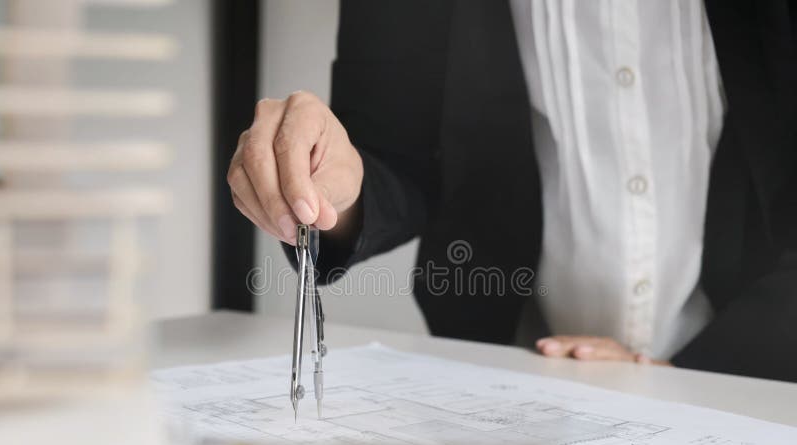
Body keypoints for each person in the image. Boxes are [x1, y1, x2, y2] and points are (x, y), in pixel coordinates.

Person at [226, 1, 797, 382]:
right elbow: (387, 154)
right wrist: (328, 188)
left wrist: (690, 373)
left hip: (759, 380)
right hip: (517, 380)